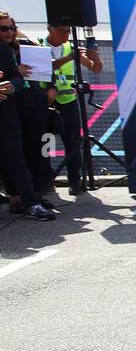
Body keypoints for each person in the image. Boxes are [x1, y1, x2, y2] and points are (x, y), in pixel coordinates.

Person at [0, 12, 56, 221]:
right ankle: (18, 198)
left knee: (18, 158)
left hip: (10, 112)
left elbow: (14, 77)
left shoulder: (5, 50)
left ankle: (31, 202)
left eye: (11, 28)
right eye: (4, 29)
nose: (9, 32)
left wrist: (11, 86)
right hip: (15, 109)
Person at [45, 24, 103, 195]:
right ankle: (46, 180)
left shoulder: (71, 47)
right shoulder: (38, 46)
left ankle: (74, 180)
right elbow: (46, 66)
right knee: (44, 140)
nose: (65, 34)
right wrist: (70, 57)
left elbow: (96, 68)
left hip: (68, 100)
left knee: (73, 141)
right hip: (46, 100)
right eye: (61, 30)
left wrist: (95, 57)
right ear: (50, 29)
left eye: (68, 31)